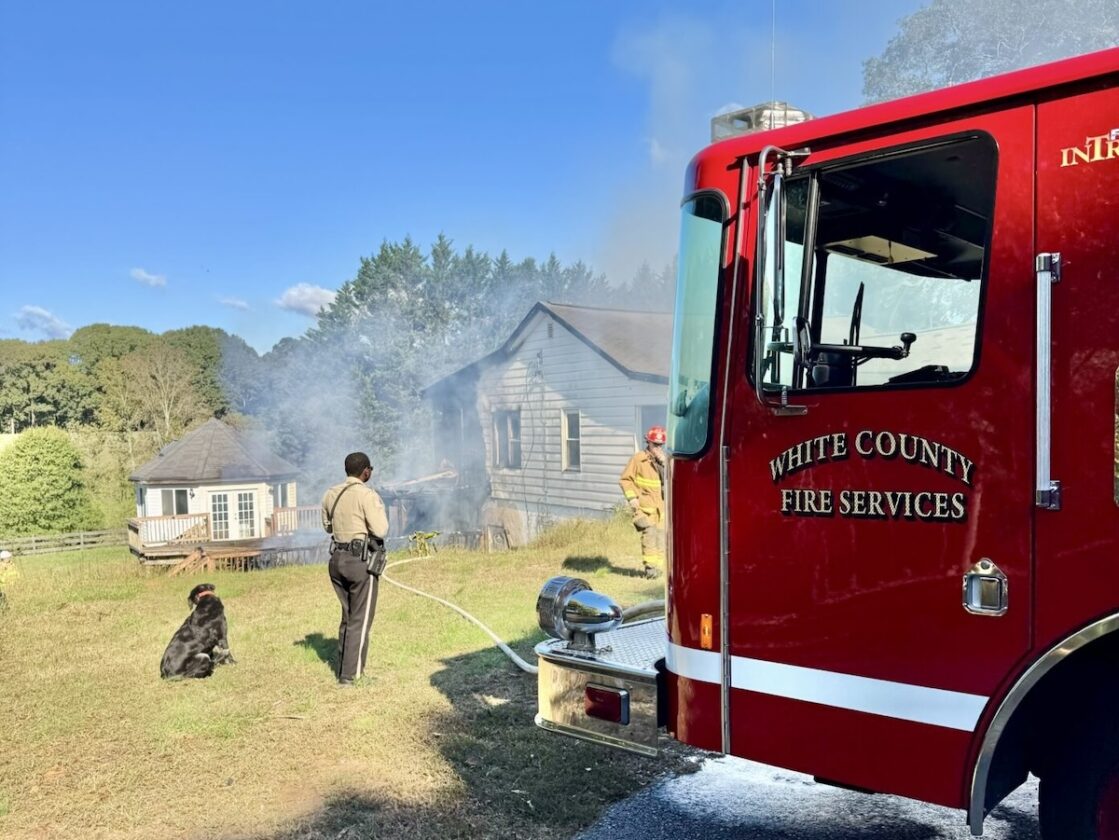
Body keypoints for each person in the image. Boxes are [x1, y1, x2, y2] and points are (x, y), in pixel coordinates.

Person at [321, 452, 389, 686]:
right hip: (360, 562)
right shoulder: (367, 495)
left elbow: (327, 526)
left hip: (337, 559)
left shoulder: (331, 493)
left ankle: (343, 668)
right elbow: (380, 530)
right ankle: (351, 676)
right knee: (360, 619)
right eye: (370, 469)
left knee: (348, 617)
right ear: (365, 472)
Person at [619, 426, 667, 578]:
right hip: (645, 508)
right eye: (655, 444)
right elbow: (625, 480)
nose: (658, 448)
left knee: (661, 538)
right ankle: (650, 569)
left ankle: (658, 569)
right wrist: (632, 498)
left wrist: (666, 464)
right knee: (649, 535)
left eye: (660, 445)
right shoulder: (638, 459)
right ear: (648, 443)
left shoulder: (666, 462)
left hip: (661, 509)